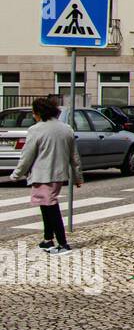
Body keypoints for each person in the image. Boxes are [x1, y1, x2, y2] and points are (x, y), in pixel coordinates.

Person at [9, 96, 82, 254]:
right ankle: (48, 239)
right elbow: (74, 156)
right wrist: (78, 177)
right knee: (46, 206)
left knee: (50, 207)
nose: (33, 116)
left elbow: (27, 156)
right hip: (58, 174)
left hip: (43, 174)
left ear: (38, 113)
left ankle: (63, 244)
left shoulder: (35, 130)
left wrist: (16, 175)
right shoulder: (67, 128)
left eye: (34, 113)